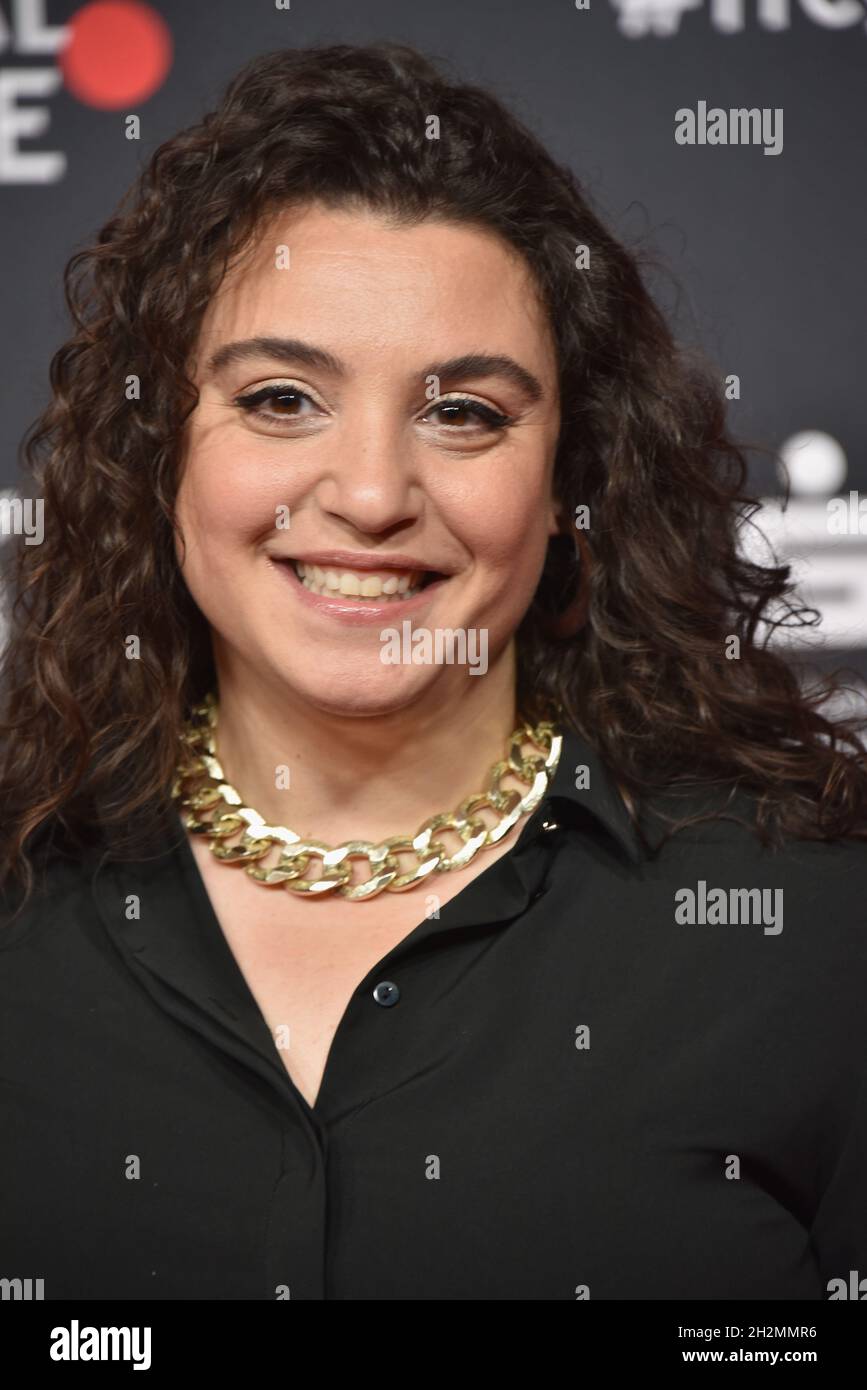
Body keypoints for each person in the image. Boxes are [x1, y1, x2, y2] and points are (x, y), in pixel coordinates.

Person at [1, 41, 865, 1302]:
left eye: (463, 412)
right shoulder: (23, 908)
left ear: (576, 480)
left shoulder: (814, 936)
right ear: (159, 456)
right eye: (283, 397)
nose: (367, 495)